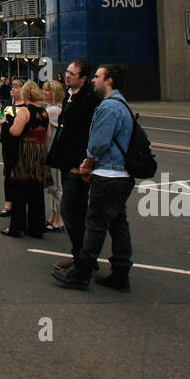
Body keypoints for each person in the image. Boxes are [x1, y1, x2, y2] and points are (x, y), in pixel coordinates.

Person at [52, 65, 137, 290]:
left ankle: (83, 270)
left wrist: (87, 164)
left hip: (108, 172)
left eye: (98, 77)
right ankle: (120, 271)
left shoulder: (108, 107)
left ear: (109, 81)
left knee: (96, 223)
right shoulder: (122, 104)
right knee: (118, 223)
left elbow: (98, 143)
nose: (94, 81)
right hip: (121, 173)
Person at [47, 61, 100, 275]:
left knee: (72, 209)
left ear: (83, 78)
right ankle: (80, 256)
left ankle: (83, 259)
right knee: (72, 210)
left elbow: (85, 135)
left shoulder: (87, 100)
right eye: (67, 72)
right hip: (66, 160)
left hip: (76, 165)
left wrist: (82, 163)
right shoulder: (71, 95)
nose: (67, 76)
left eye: (72, 73)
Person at [0, 80, 48, 239]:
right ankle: (37, 227)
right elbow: (46, 135)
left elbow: (15, 131)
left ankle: (16, 227)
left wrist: (4, 123)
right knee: (36, 192)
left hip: (24, 153)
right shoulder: (43, 111)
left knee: (19, 191)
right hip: (39, 153)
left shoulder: (25, 111)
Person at [42, 80, 65, 233]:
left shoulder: (53, 111)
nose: (44, 93)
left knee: (55, 187)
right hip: (53, 152)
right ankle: (53, 216)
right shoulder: (52, 109)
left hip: (52, 152)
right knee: (52, 187)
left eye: (47, 91)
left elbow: (47, 134)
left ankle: (60, 219)